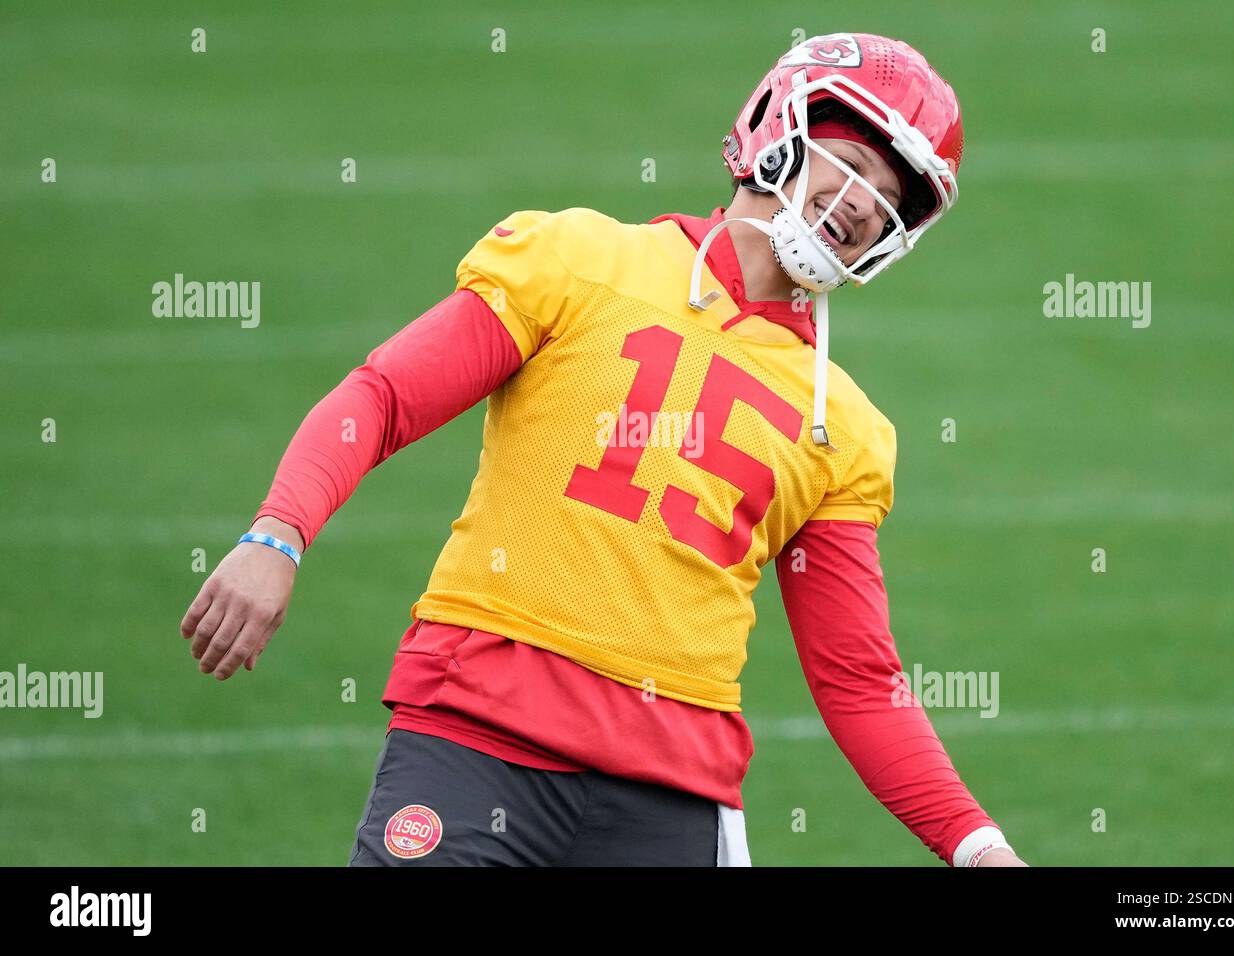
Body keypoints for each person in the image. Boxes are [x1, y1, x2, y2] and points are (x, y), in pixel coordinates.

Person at [179, 31, 1026, 867]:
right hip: (474, 739)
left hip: (669, 795)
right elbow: (385, 397)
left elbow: (858, 683)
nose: (861, 204)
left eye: (888, 197)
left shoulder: (843, 426)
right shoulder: (581, 259)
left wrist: (979, 849)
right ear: (779, 126)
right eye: (852, 163)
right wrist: (277, 534)